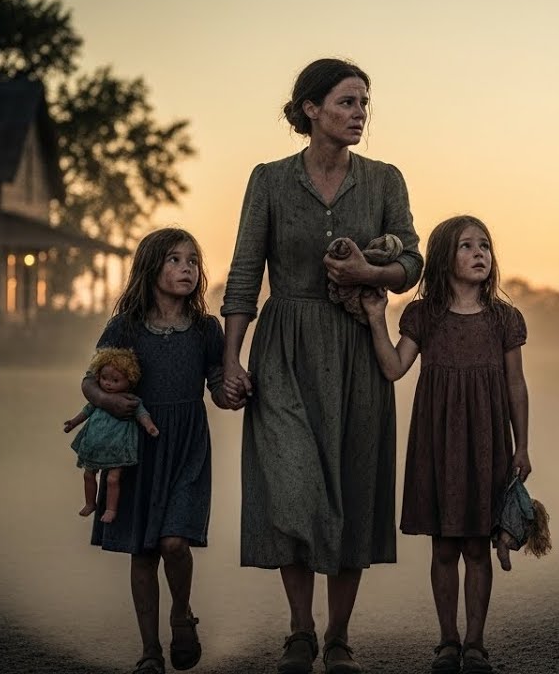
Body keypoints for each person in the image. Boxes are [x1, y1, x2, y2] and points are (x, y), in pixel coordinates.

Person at [219, 57, 423, 674]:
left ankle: (336, 638)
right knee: (292, 481)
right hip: (284, 347)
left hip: (358, 346)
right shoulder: (271, 180)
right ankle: (298, 630)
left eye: (364, 103)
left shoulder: (385, 180)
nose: (360, 114)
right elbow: (244, 271)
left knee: (353, 485)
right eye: (347, 102)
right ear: (311, 109)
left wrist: (370, 273)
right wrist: (230, 357)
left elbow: (412, 263)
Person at [359, 214, 530, 674]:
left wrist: (522, 447)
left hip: (487, 442)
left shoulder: (504, 319)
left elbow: (516, 385)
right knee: (443, 548)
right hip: (438, 442)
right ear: (441, 259)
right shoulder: (424, 316)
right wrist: (377, 319)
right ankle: (447, 642)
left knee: (477, 546)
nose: (479, 254)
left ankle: (475, 643)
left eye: (485, 246)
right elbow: (395, 367)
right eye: (466, 246)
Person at [82, 227, 231, 674]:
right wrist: (108, 400)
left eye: (192, 261)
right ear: (151, 268)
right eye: (174, 260)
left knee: (173, 542)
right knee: (143, 551)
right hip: (136, 451)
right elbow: (90, 381)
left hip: (186, 447)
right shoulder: (126, 327)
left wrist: (235, 390)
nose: (187, 268)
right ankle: (150, 650)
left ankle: (181, 614)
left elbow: (218, 384)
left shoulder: (206, 329)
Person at [64, 346, 159, 523]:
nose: (108, 384)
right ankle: (90, 503)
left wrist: (150, 426)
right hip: (95, 444)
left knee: (113, 479)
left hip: (118, 446)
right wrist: (73, 423)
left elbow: (142, 414)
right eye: (104, 378)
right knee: (88, 474)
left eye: (115, 380)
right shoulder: (99, 399)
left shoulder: (130, 401)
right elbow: (85, 412)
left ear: (129, 381)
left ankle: (110, 509)